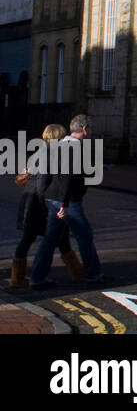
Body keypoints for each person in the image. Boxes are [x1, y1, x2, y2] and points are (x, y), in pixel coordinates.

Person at [29, 115, 103, 288]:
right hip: (67, 201)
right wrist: (64, 203)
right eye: (90, 128)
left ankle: (37, 278)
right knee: (84, 236)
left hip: (53, 198)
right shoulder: (75, 148)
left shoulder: (59, 145)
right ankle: (93, 275)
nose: (92, 132)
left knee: (50, 239)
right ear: (84, 129)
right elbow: (67, 177)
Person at [8, 124, 77, 290]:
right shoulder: (49, 154)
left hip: (31, 201)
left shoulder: (40, 152)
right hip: (37, 204)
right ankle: (20, 279)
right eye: (63, 137)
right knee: (39, 238)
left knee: (56, 237)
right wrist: (45, 207)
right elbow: (42, 184)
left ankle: (78, 272)